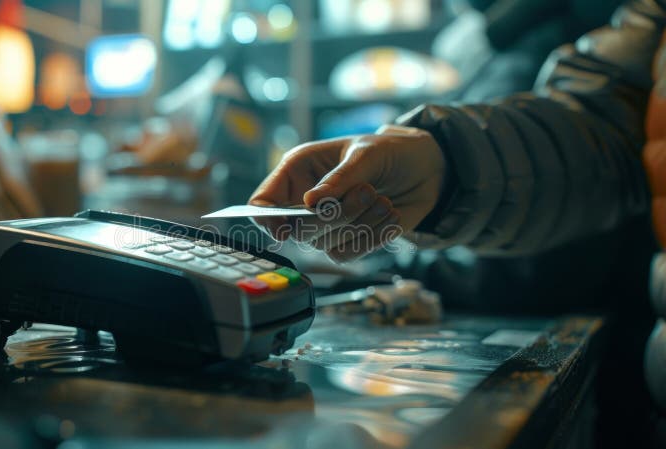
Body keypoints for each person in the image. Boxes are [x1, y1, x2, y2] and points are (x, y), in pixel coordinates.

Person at [250, 0, 666, 447]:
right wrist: (445, 165)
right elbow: (608, 134)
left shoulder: (535, 38)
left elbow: (541, 269)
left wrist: (398, 270)